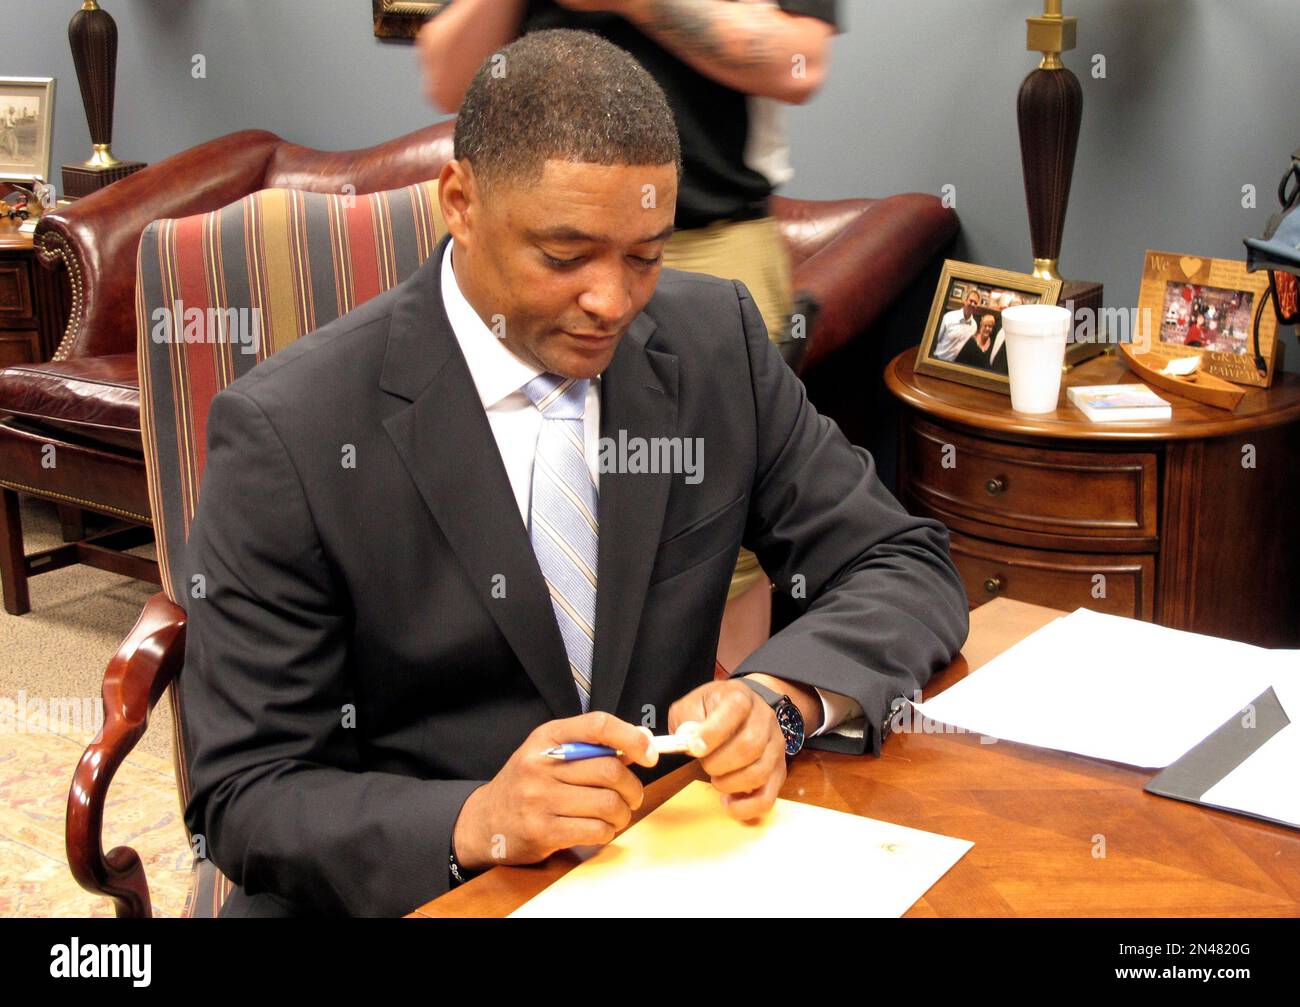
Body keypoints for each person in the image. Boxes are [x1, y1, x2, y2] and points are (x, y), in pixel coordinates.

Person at [181, 30, 968, 917]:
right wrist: (472, 820)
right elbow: (243, 794)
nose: (613, 302)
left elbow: (901, 562)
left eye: (645, 254)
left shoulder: (715, 346)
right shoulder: (292, 432)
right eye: (564, 256)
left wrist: (778, 697)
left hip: (661, 870)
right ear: (460, 202)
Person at [417, 0, 841, 665]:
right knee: (510, 515)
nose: (607, 303)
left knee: (719, 549)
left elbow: (800, 62)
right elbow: (447, 76)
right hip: (531, 238)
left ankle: (704, 748)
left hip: (703, 242)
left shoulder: (712, 316)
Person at [933, 287, 982, 361]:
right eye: (971, 301)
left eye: (975, 303)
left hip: (956, 365)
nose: (972, 304)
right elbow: (935, 339)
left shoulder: (974, 326)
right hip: (939, 359)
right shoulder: (949, 317)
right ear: (965, 301)